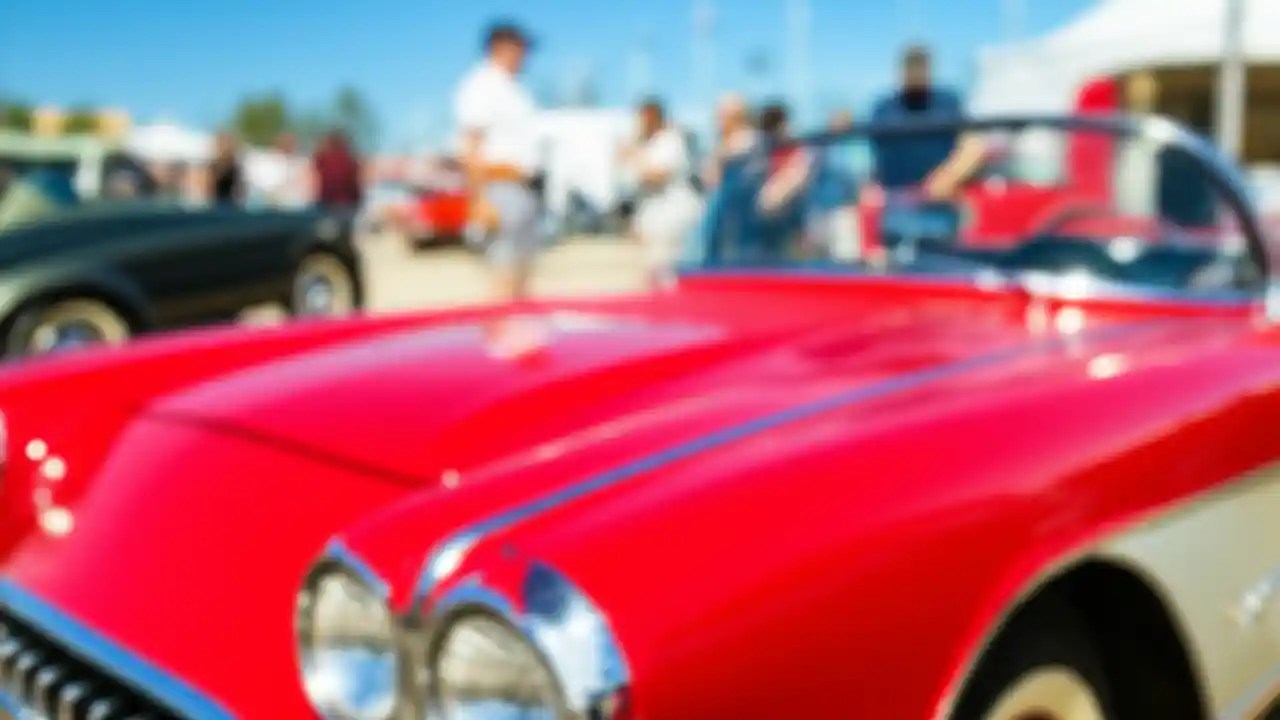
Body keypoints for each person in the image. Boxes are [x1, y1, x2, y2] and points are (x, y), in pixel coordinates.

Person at [454, 21, 542, 303]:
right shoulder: (481, 84)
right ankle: (501, 345)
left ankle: (521, 345)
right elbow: (471, 146)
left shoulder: (515, 89)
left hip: (524, 190)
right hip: (499, 189)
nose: (525, 55)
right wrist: (479, 200)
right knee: (502, 280)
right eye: (521, 48)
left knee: (522, 278)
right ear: (502, 47)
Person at [870, 45, 984, 199]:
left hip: (940, 200)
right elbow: (871, 153)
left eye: (921, 66)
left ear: (930, 69)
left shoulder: (949, 102)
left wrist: (950, 176)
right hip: (895, 198)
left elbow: (973, 145)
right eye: (911, 66)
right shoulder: (883, 108)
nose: (916, 73)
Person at [624, 99, 702, 288]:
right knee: (654, 276)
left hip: (672, 218)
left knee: (667, 276)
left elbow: (659, 175)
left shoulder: (670, 140)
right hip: (657, 221)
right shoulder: (651, 144)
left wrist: (633, 156)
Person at [313, 131, 363, 212]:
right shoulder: (349, 158)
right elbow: (355, 181)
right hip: (344, 203)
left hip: (330, 202)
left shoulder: (324, 157)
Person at [210, 132, 244, 205]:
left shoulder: (235, 165)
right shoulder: (214, 164)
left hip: (230, 203)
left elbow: (239, 188)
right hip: (216, 203)